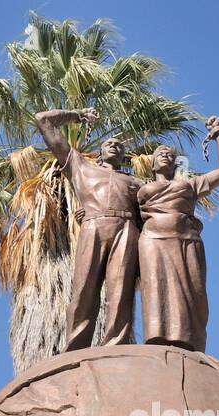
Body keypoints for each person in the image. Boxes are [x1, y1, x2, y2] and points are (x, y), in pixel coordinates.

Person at [34, 107, 141, 351]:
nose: (114, 144)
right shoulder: (81, 166)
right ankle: (75, 348)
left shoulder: (135, 183)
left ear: (124, 156)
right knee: (84, 289)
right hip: (93, 225)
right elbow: (42, 120)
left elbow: (154, 209)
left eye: (119, 145)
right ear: (100, 153)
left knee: (121, 290)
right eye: (109, 143)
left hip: (126, 228)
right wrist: (77, 114)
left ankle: (115, 344)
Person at [136, 116, 219, 352]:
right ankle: (157, 341)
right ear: (151, 164)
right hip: (152, 242)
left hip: (186, 241)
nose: (166, 155)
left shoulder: (189, 186)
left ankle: (191, 343)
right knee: (156, 289)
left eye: (170, 153)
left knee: (194, 293)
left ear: (175, 163)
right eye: (160, 152)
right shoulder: (139, 189)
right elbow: (114, 207)